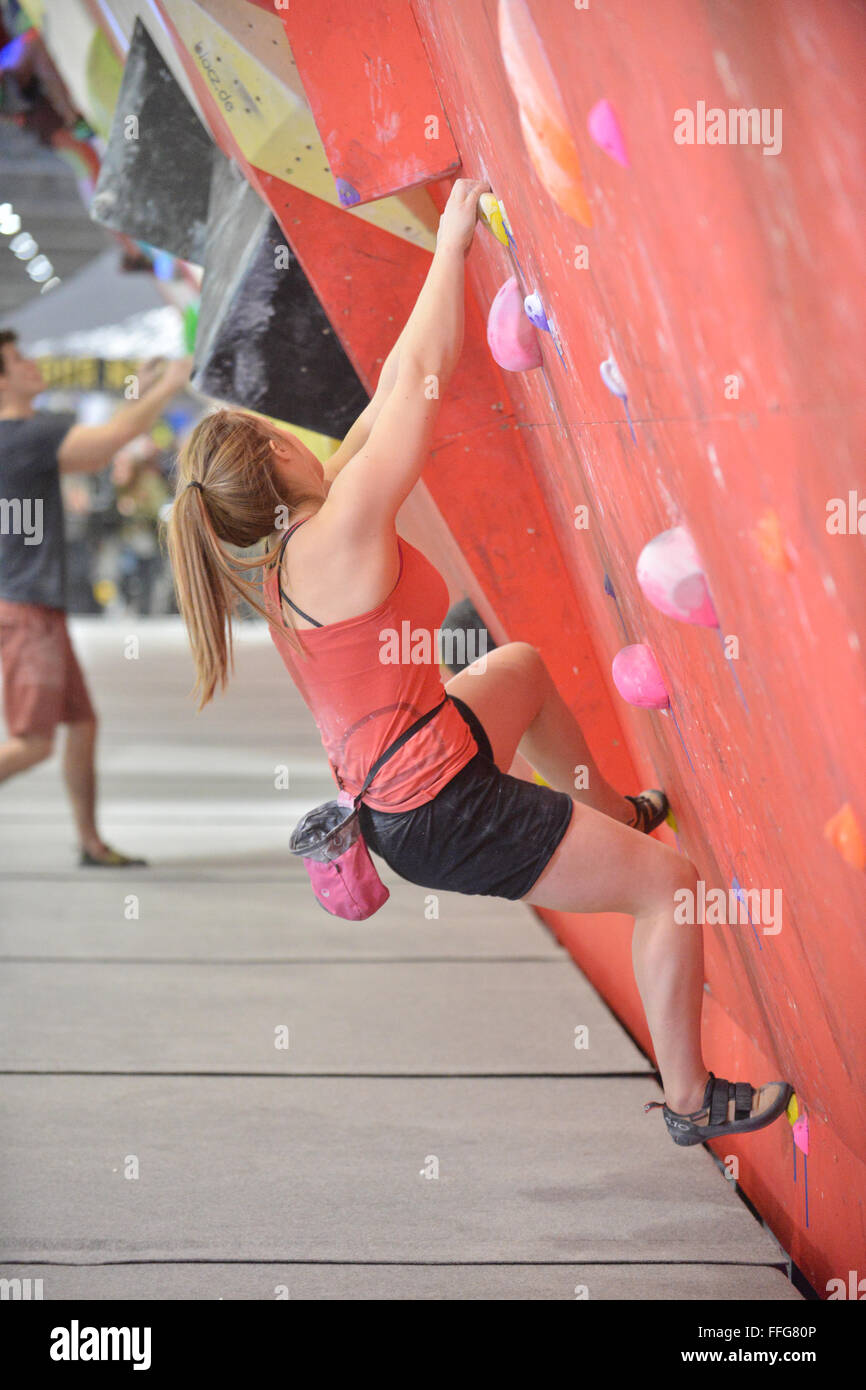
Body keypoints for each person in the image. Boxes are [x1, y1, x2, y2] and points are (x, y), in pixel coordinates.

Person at [165, 179, 792, 1147]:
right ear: (269, 465)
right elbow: (419, 379)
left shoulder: (306, 531)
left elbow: (387, 395)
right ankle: (687, 1100)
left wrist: (440, 263)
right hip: (440, 812)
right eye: (267, 432)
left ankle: (611, 816)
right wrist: (452, 242)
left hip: (417, 774)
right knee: (667, 888)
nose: (286, 430)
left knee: (519, 668)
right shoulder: (333, 538)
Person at [0, 333, 192, 864]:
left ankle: (90, 841)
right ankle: (89, 840)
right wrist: (172, 384)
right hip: (26, 608)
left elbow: (106, 435)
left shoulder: (21, 437)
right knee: (32, 741)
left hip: (32, 605)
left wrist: (145, 388)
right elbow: (109, 444)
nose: (31, 363)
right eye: (18, 360)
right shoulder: (24, 434)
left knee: (81, 724)